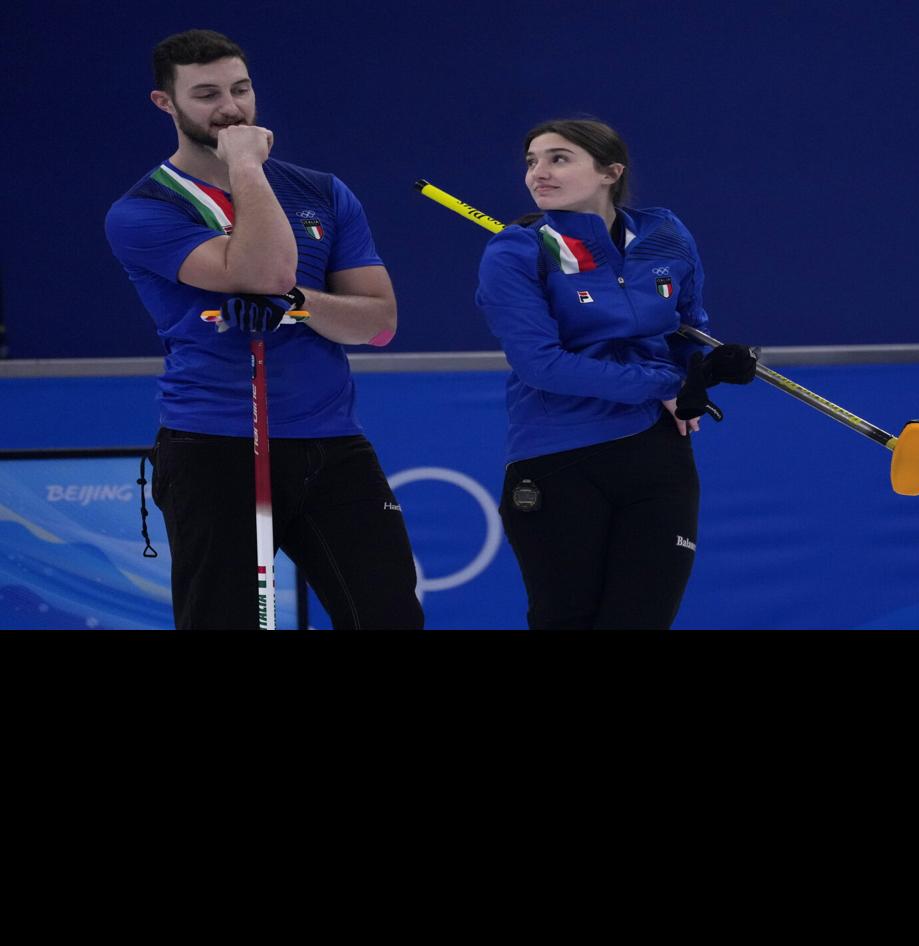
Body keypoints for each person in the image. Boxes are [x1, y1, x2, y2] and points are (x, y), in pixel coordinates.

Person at [104, 29, 423, 629]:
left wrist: (298, 304)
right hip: (215, 447)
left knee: (390, 617)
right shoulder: (144, 210)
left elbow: (379, 324)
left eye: (240, 89)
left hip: (332, 443)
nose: (230, 108)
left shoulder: (323, 192)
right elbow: (263, 269)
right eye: (206, 95)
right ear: (164, 103)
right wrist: (246, 163)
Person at [476, 118, 758, 629]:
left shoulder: (665, 234)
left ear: (611, 171)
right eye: (532, 161)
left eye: (558, 158)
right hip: (559, 457)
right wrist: (668, 385)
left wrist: (705, 370)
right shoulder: (516, 250)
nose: (539, 172)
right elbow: (542, 364)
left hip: (657, 455)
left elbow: (689, 329)